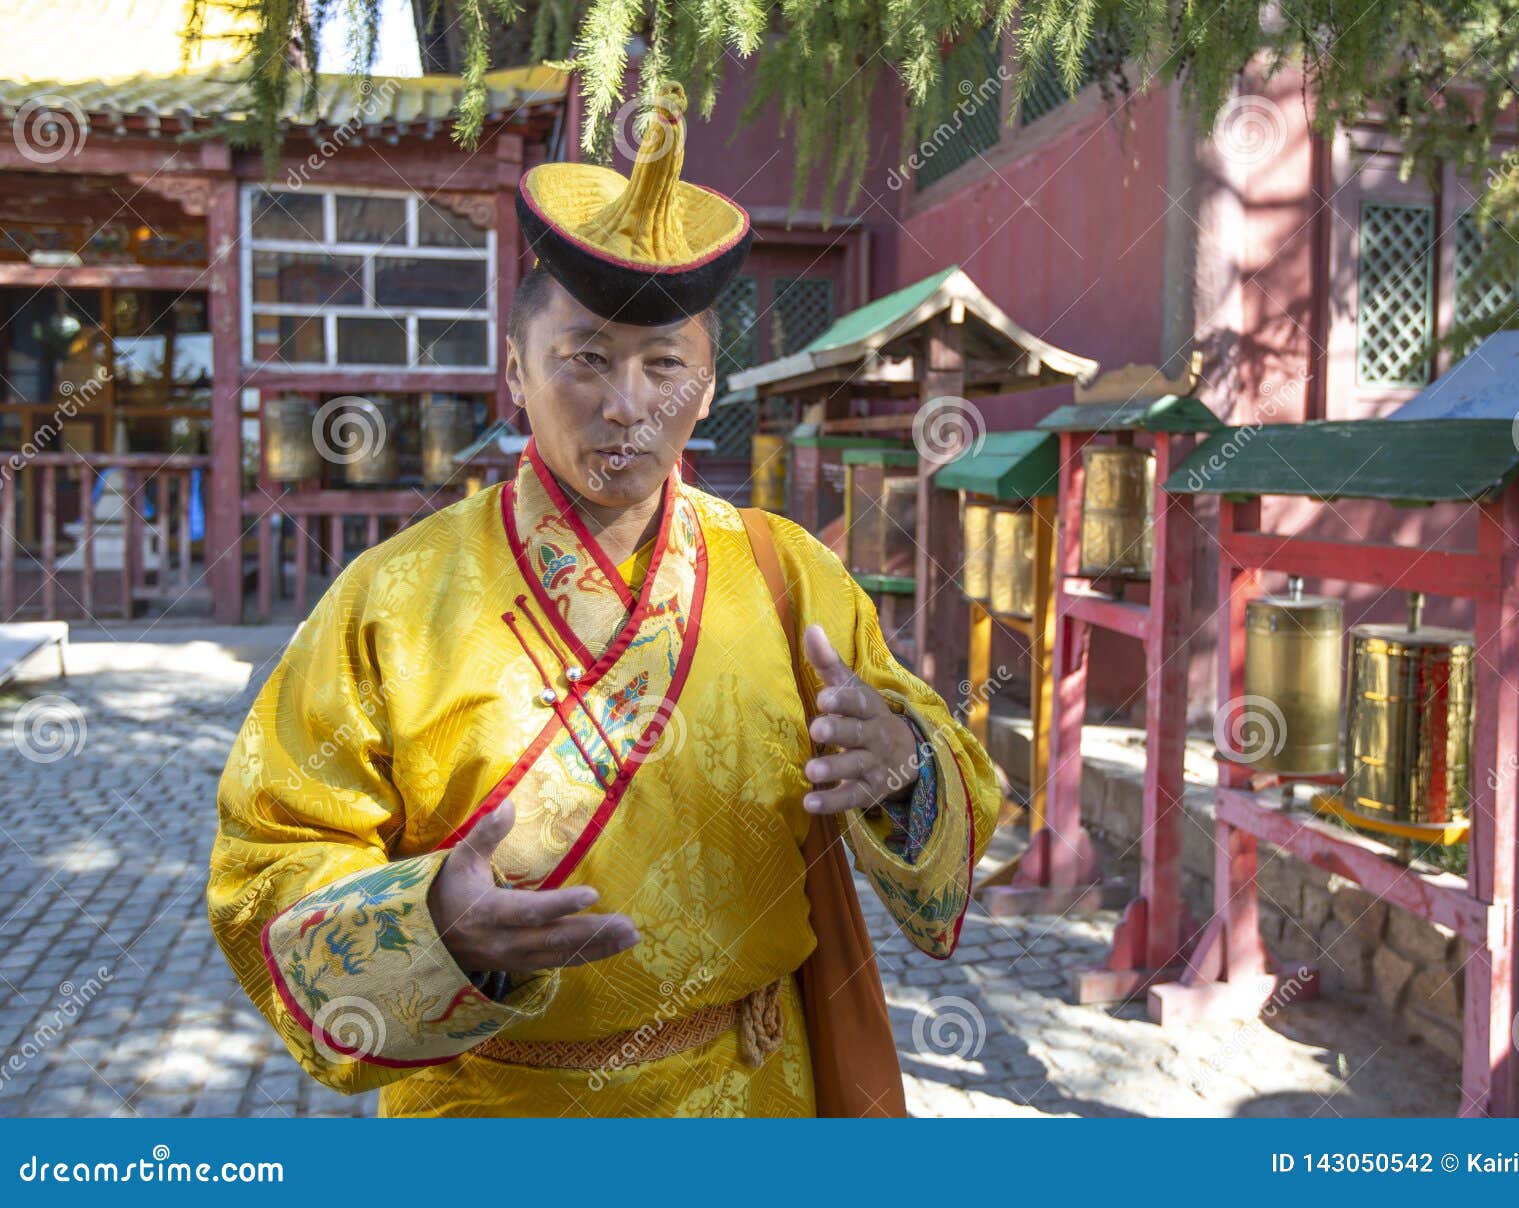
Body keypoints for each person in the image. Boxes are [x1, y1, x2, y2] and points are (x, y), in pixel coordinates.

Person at [207, 83, 999, 1117]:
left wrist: (902, 765)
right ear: (516, 370)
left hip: (753, 1088)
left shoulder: (790, 572)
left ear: (707, 388)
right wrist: (430, 923)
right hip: (492, 1110)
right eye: (585, 358)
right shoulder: (391, 596)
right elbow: (270, 855)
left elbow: (952, 780)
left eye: (665, 364)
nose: (628, 404)